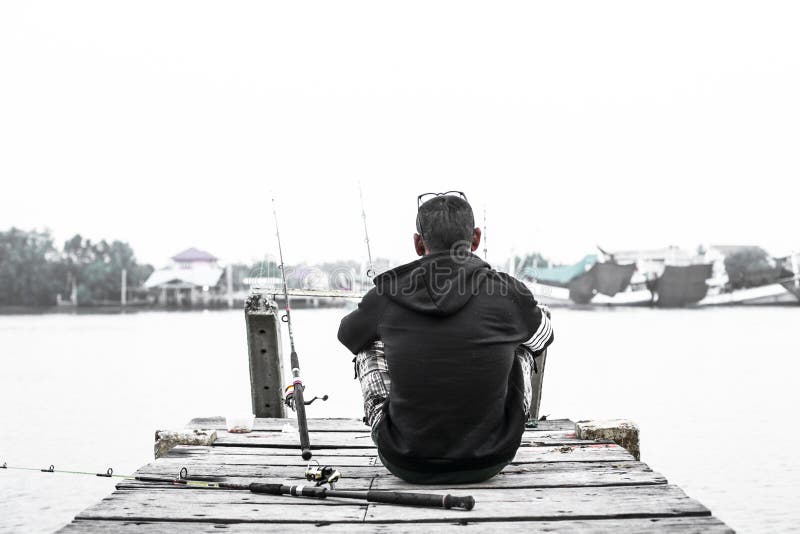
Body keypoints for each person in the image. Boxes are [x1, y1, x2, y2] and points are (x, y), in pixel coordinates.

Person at [337, 191, 554, 484]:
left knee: (368, 346)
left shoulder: (386, 293)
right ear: (475, 238)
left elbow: (348, 336)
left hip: (405, 460)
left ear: (418, 243)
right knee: (524, 345)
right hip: (491, 460)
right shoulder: (507, 291)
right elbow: (544, 339)